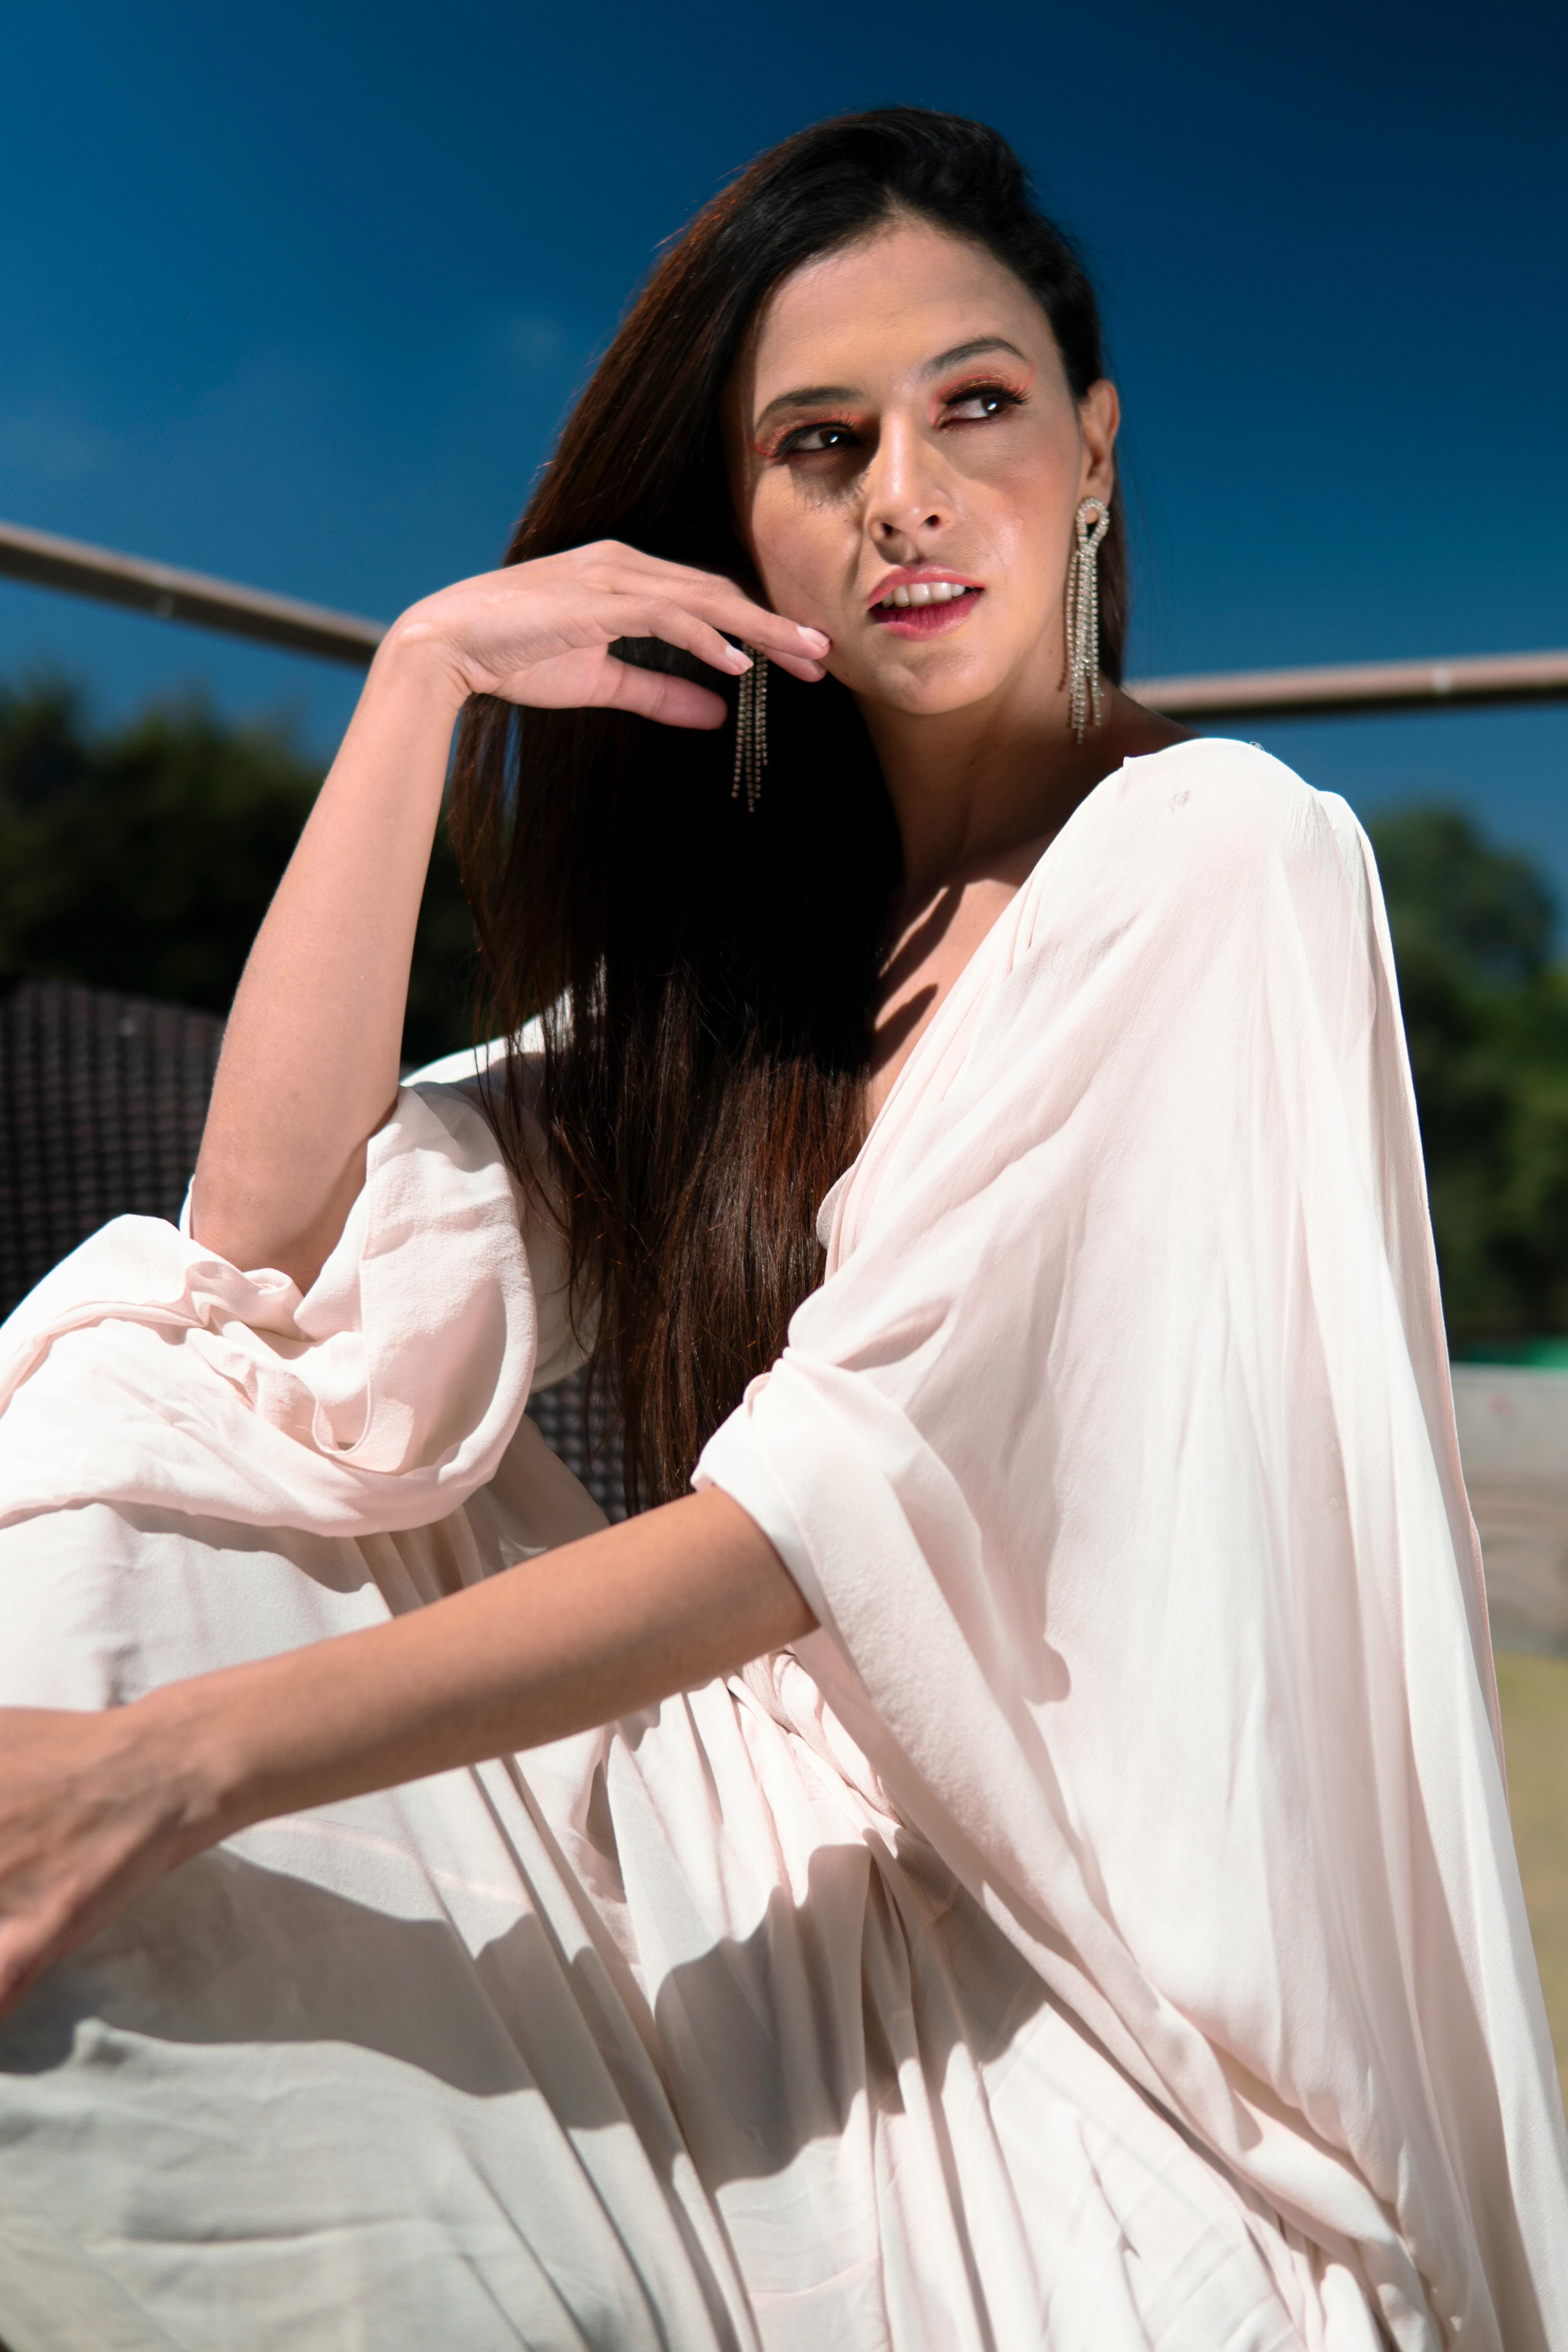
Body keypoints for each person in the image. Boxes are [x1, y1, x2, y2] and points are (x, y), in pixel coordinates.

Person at [0, 106, 1563, 2352]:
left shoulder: (1216, 850)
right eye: (820, 445)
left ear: (1094, 453)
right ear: (744, 530)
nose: (903, 493)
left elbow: (828, 1513)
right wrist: (420, 681)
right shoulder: (755, 991)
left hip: (1087, 2024)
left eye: (974, 406)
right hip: (802, 1869)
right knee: (155, 1356)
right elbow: (260, 1261)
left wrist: (174, 1764)